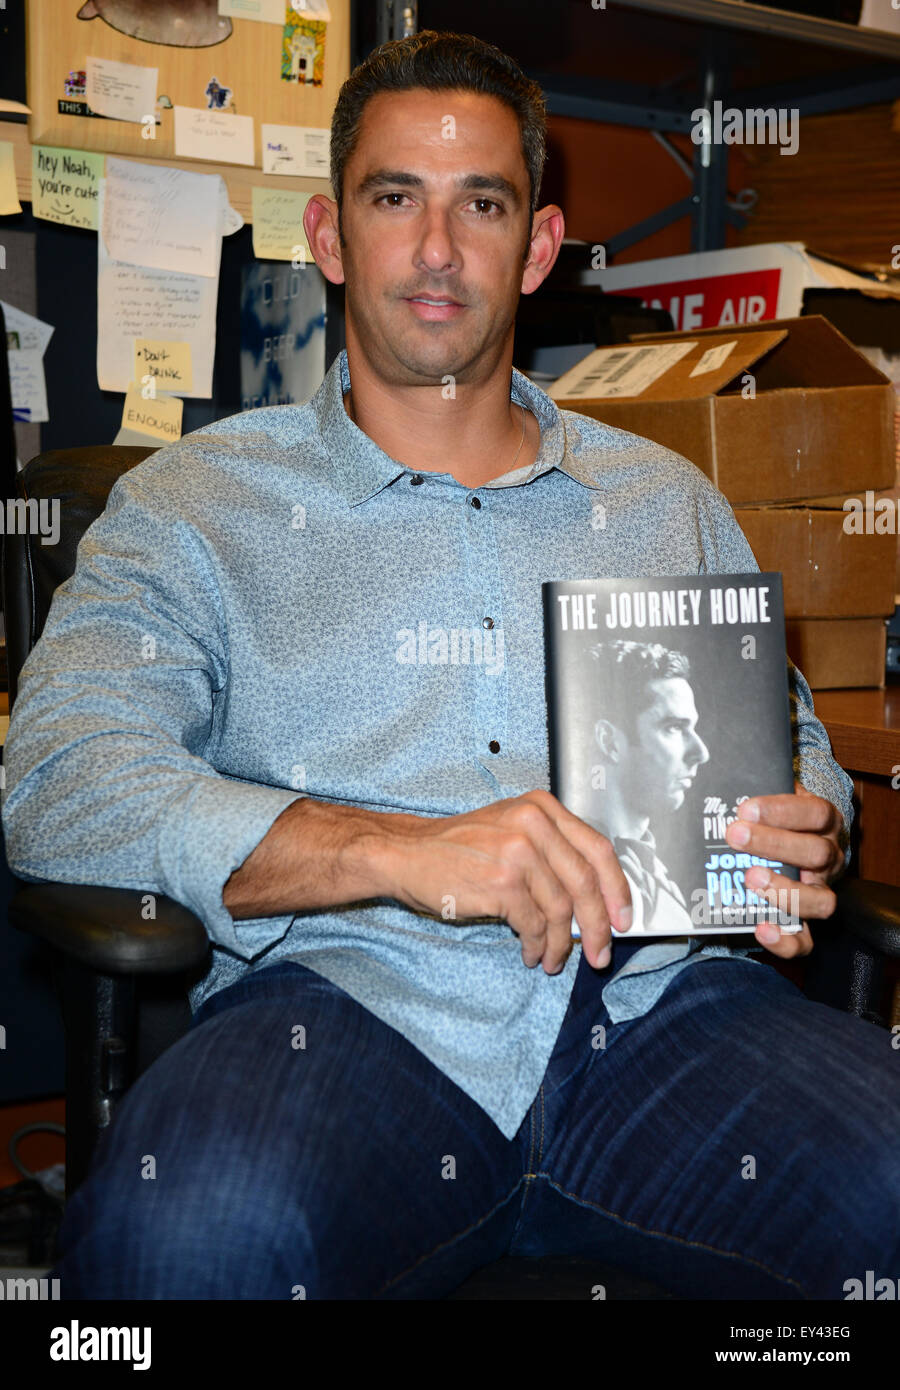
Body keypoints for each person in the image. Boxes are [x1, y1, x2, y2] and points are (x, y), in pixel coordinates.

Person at [3, 30, 897, 1301]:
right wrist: (391, 852)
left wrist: (815, 818)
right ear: (327, 235)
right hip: (348, 1006)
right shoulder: (194, 505)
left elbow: (792, 742)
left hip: (662, 1018)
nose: (436, 248)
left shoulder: (664, 500)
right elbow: (60, 782)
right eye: (393, 199)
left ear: (535, 247)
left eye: (480, 202)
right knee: (184, 1244)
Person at [582, 639, 709, 933]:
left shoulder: (662, 881)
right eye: (674, 727)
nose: (701, 752)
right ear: (609, 741)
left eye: (692, 727)